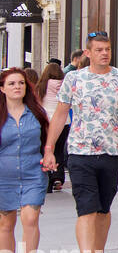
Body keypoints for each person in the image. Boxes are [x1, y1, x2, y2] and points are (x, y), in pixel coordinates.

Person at [42, 32, 118, 253]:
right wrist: (49, 148)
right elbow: (59, 115)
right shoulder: (74, 79)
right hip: (80, 153)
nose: (105, 53)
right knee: (86, 208)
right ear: (88, 53)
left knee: (103, 209)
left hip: (111, 153)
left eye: (108, 49)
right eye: (99, 49)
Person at [0, 68, 49, 253]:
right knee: (5, 223)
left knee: (30, 219)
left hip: (33, 172)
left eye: (20, 83)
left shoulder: (37, 113)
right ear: (2, 89)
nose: (17, 87)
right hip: (4, 175)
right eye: (11, 84)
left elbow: (48, 140)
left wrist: (50, 155)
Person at [36, 62, 66, 191]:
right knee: (59, 149)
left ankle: (47, 178)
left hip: (46, 120)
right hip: (64, 121)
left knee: (46, 149)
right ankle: (58, 176)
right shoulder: (64, 84)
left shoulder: (42, 85)